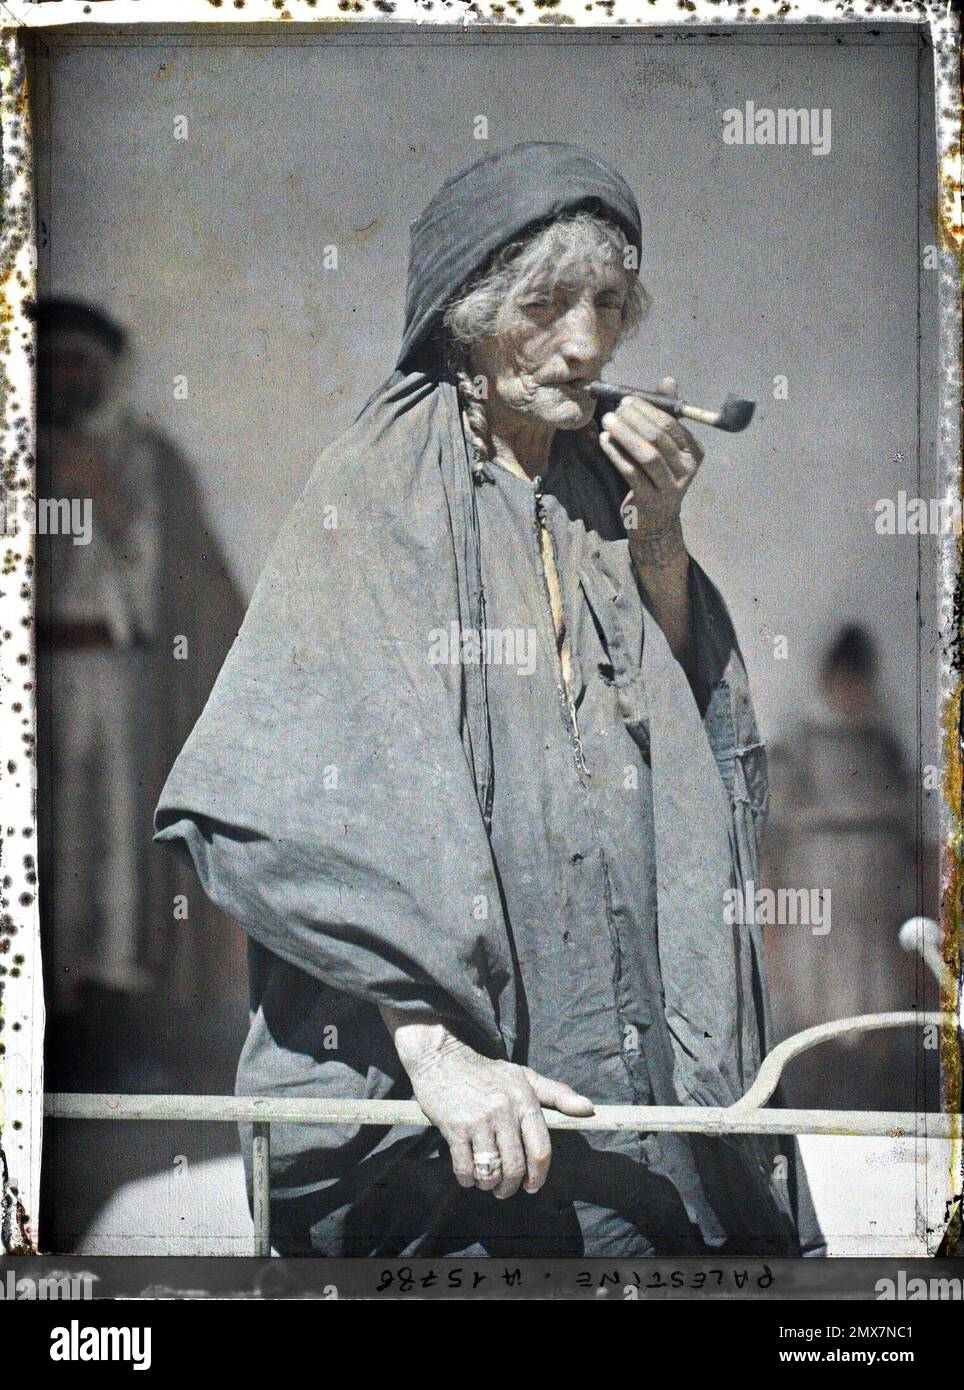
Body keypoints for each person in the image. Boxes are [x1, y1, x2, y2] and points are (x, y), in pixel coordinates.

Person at [155, 142, 823, 1256]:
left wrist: (657, 536)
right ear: (465, 313)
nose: (588, 341)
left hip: (633, 1018)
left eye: (609, 303)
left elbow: (678, 733)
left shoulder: (595, 477)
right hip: (457, 1081)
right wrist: (435, 1051)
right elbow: (288, 809)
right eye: (546, 304)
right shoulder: (376, 486)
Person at [34, 297, 244, 1073]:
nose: (61, 378)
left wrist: (97, 492)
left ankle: (114, 1028)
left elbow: (175, 580)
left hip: (122, 686)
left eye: (76, 363)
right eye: (46, 362)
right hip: (28, 688)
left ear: (103, 370)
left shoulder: (146, 457)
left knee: (112, 849)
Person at [763, 623, 933, 1112]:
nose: (850, 692)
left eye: (860, 680)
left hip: (875, 916)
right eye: (842, 679)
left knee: (878, 1022)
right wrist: (773, 922)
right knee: (810, 1026)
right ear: (826, 679)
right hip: (815, 915)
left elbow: (912, 838)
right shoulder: (797, 747)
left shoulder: (885, 748)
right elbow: (772, 842)